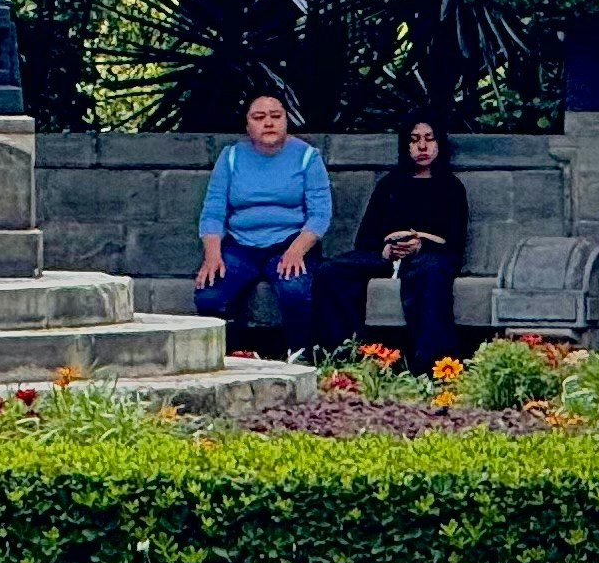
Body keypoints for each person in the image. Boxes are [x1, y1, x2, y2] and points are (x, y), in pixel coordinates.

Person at [307, 116, 471, 366]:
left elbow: (455, 242)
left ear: (439, 144)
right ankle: (346, 358)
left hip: (431, 257)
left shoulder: (451, 187)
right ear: (405, 146)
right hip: (386, 256)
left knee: (430, 271)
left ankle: (432, 366)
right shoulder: (389, 184)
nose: (423, 147)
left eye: (429, 139)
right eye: (415, 140)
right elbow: (365, 237)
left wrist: (420, 243)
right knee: (330, 272)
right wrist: (386, 250)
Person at [194, 90, 332, 353]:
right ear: (247, 125)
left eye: (275, 116)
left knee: (295, 291)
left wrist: (296, 250)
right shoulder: (231, 157)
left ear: (286, 120)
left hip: (290, 242)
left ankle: (299, 356)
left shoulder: (307, 157)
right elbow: (213, 211)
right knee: (209, 295)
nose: (268, 123)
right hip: (240, 245)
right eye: (259, 117)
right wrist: (212, 255)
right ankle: (228, 357)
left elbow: (320, 214)